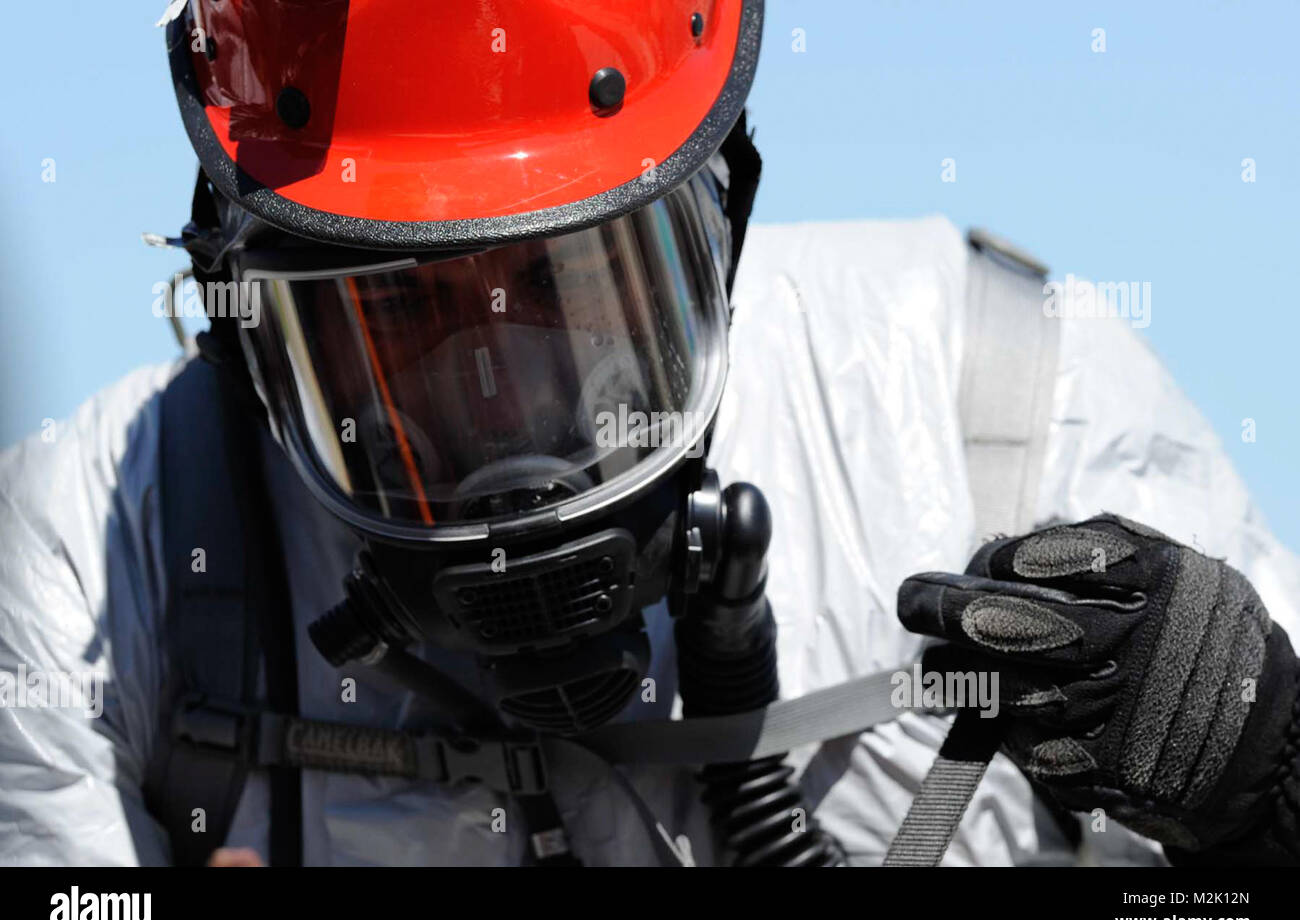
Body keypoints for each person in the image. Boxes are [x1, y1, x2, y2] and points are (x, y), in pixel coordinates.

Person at [0, 1, 1296, 867]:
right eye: (402, 316)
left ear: (718, 226)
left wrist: (1262, 791)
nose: (502, 408)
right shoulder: (100, 567)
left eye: (568, 294)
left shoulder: (1006, 398)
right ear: (246, 318)